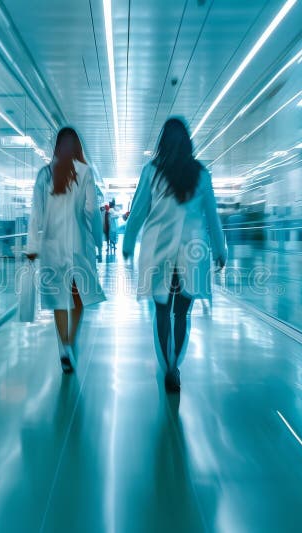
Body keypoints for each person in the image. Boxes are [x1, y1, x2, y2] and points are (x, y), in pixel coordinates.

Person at [123, 117, 226, 393]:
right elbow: (212, 217)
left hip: (159, 249)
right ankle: (175, 365)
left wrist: (128, 244)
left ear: (162, 142)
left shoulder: (151, 171)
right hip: (192, 251)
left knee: (161, 310)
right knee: (181, 314)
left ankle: (167, 363)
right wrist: (220, 250)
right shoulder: (201, 174)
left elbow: (138, 211)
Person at [26, 127, 105, 373]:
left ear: (57, 147)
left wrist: (33, 246)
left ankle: (64, 348)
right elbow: (91, 210)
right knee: (77, 296)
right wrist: (98, 241)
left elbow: (36, 213)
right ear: (77, 148)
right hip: (77, 244)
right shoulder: (85, 172)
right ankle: (69, 341)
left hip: (52, 246)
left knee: (59, 298)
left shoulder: (44, 174)